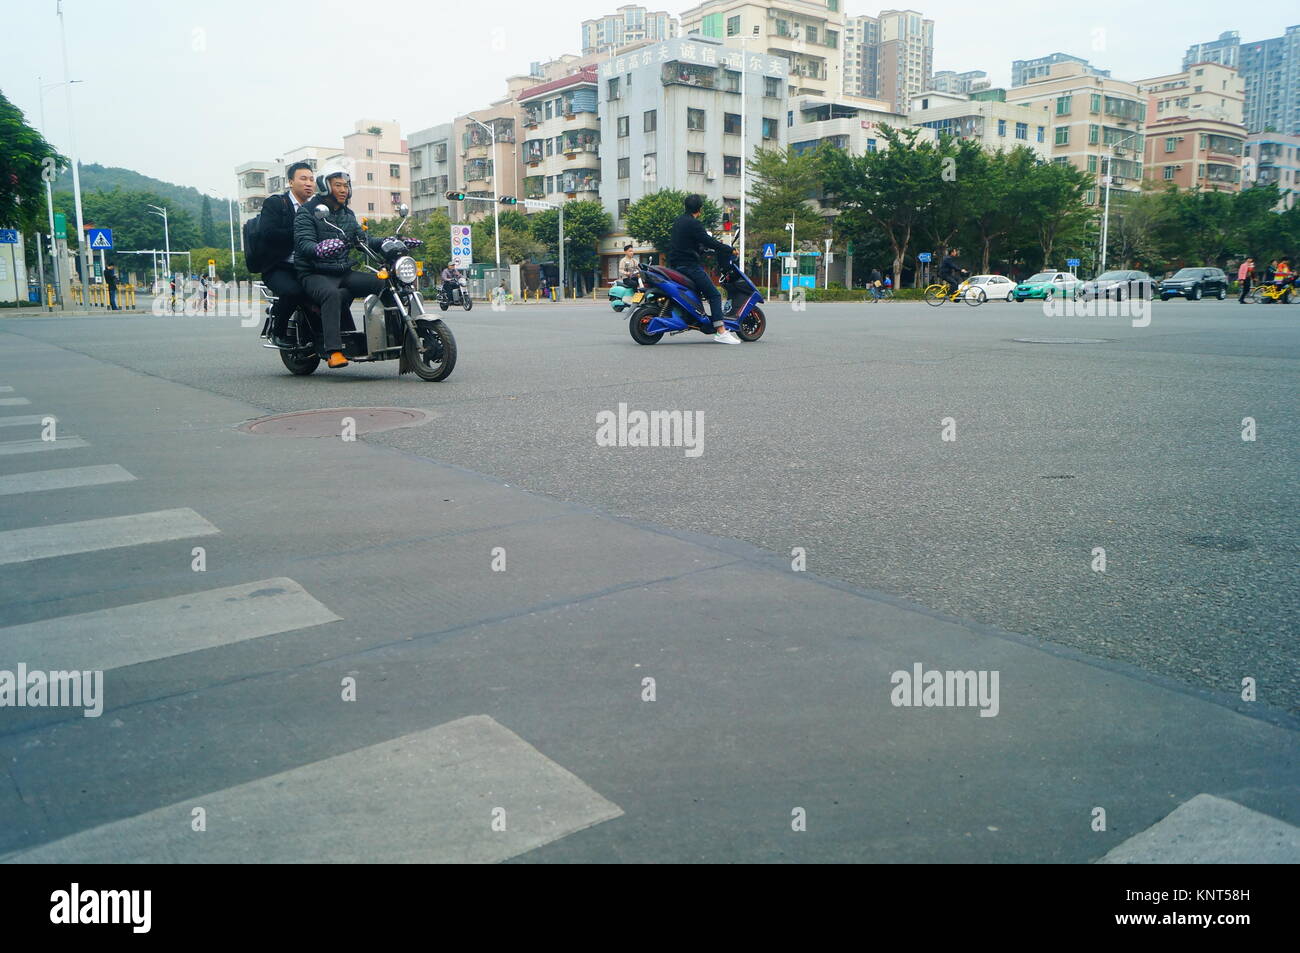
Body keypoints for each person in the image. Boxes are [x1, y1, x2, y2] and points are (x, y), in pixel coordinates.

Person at [293, 166, 382, 368]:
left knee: (383, 284)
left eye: (346, 186)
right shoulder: (307, 213)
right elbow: (304, 244)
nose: (344, 190)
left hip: (342, 271)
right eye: (338, 185)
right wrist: (320, 249)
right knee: (331, 294)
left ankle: (394, 335)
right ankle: (333, 350)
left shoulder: (347, 214)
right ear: (325, 187)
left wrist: (389, 242)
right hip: (314, 273)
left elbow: (363, 240)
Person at [666, 193, 740, 343]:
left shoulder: (678, 221)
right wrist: (729, 249)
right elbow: (709, 241)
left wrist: (701, 249)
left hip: (675, 265)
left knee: (700, 292)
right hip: (688, 266)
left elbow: (687, 242)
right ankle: (721, 331)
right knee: (714, 294)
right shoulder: (694, 224)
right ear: (699, 209)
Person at [260, 161, 317, 345]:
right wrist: (300, 232)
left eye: (311, 179)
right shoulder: (276, 203)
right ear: (291, 182)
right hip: (278, 267)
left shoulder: (316, 209)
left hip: (307, 267)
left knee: (334, 290)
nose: (308, 183)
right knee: (293, 291)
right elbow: (267, 233)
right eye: (303, 178)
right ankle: (278, 332)